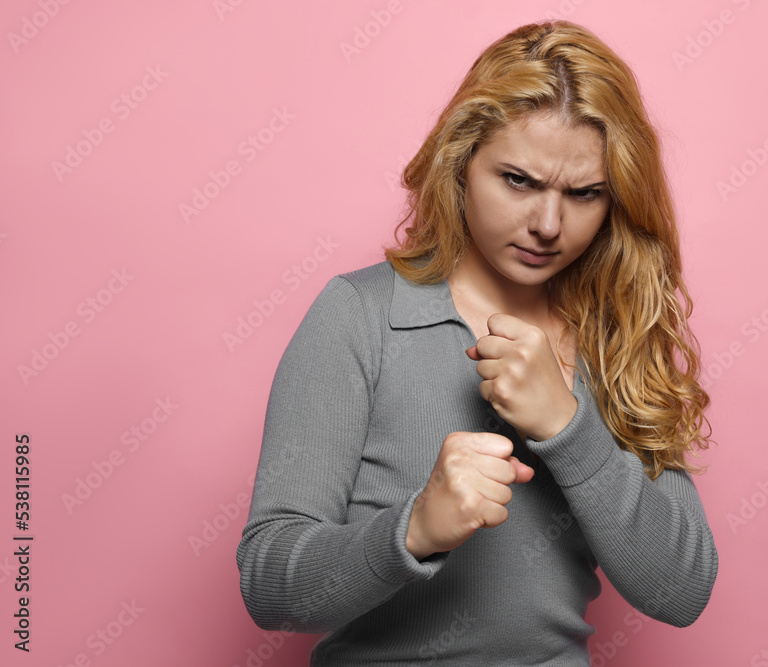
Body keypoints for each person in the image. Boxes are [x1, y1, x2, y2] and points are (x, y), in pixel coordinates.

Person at [236, 19, 718, 665]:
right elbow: (270, 586)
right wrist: (415, 528)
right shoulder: (360, 315)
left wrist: (569, 427)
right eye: (518, 180)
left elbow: (681, 590)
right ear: (460, 163)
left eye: (584, 194)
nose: (548, 224)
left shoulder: (618, 332)